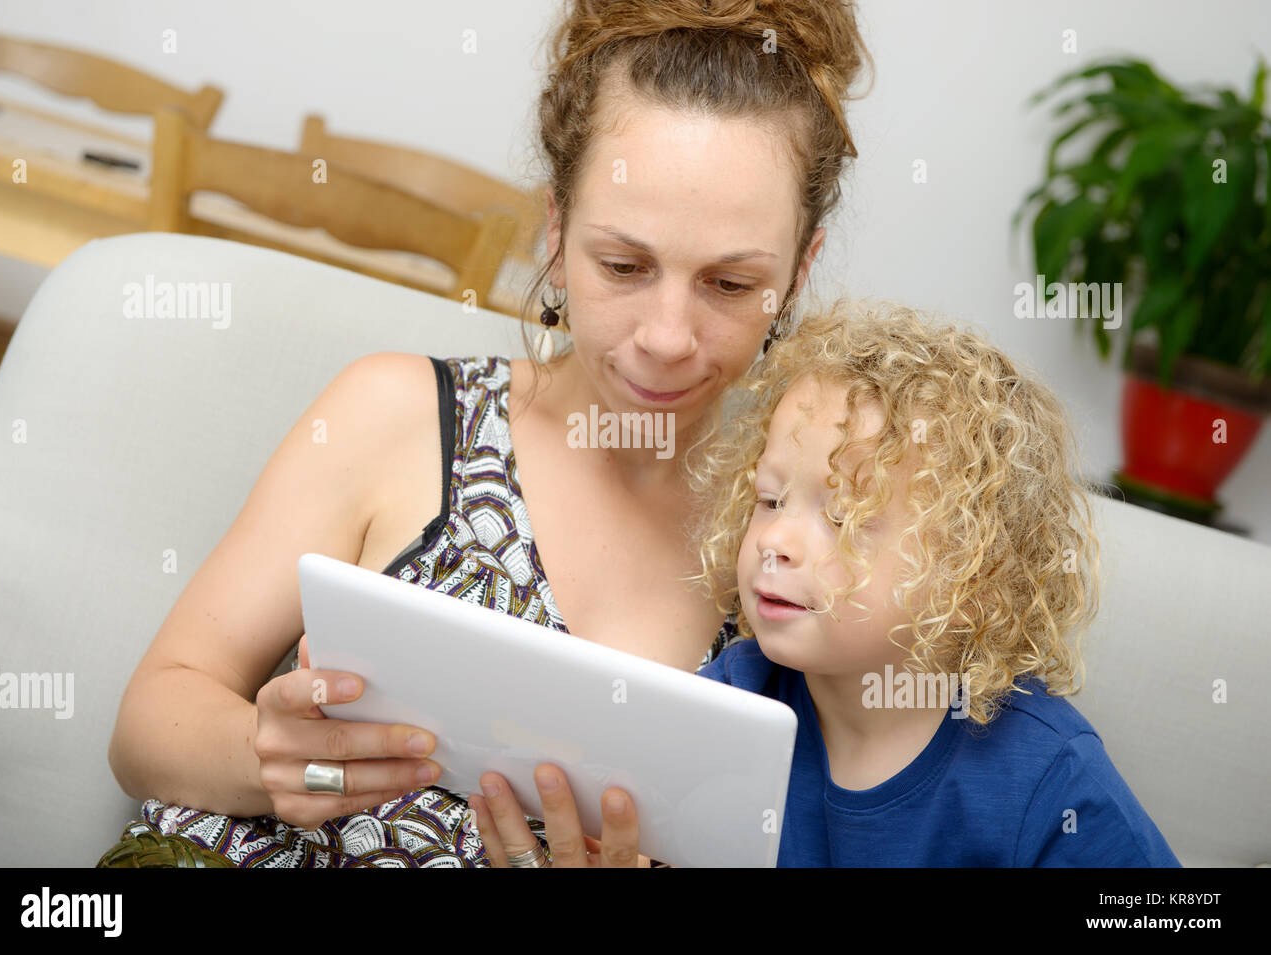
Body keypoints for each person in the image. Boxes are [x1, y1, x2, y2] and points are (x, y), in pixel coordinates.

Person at [105, 0, 873, 867]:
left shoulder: (788, 548)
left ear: (799, 270)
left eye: (731, 285)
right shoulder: (396, 415)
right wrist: (275, 763)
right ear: (556, 229)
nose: (666, 335)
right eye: (622, 266)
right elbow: (148, 723)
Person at [474, 299, 1182, 867]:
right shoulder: (733, 699)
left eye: (846, 518)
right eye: (771, 499)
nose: (776, 541)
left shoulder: (1048, 778)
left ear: (976, 576)